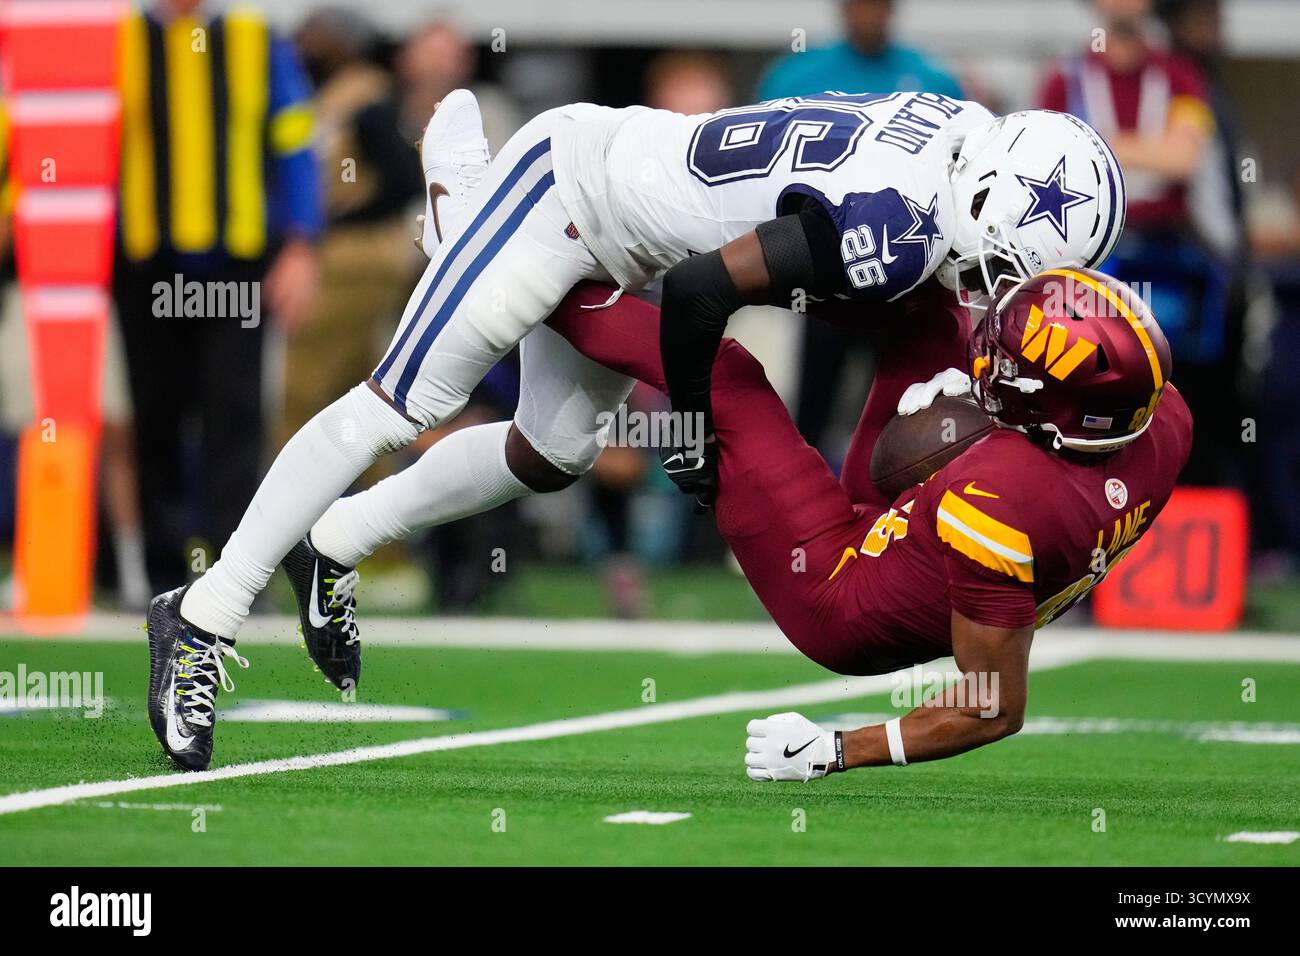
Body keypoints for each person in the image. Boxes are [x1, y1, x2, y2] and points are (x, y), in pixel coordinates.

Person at [145, 87, 1125, 771]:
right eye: (1000, 267)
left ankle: (336, 540)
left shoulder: (963, 135)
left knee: (552, 450)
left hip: (639, 214)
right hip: (572, 198)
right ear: (986, 204)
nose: (994, 293)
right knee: (401, 402)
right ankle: (202, 614)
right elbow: (705, 293)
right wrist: (691, 433)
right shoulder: (898, 228)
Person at [115, 0, 322, 591]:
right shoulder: (120, 41)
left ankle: (235, 577)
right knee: (156, 417)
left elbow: (295, 145)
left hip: (235, 269)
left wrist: (302, 245)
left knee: (235, 416)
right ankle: (161, 576)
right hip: (146, 269)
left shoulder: (256, 41)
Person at [757, 0, 966, 450]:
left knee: (906, 413)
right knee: (812, 409)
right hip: (824, 273)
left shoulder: (931, 79)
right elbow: (761, 171)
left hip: (906, 277)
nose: (868, 14)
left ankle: (897, 512)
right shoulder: (797, 77)